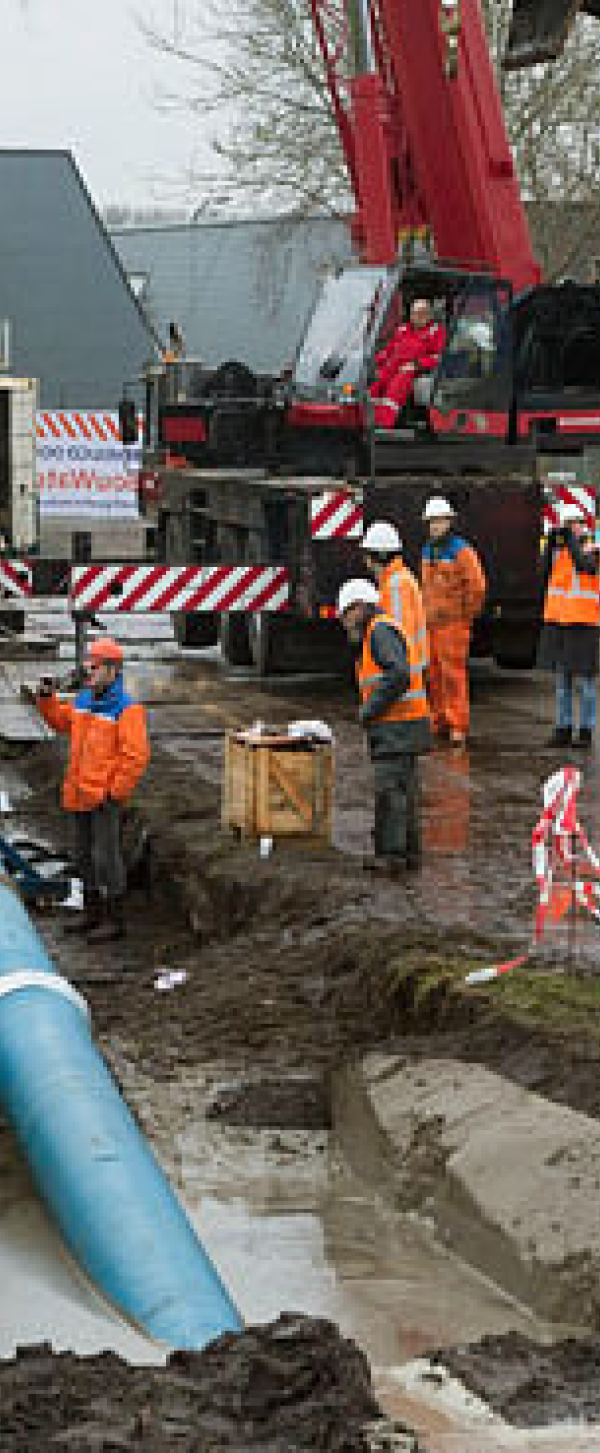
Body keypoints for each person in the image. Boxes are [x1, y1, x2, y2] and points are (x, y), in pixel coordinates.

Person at [35, 636, 150, 942]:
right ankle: (92, 912)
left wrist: (115, 793)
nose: (89, 673)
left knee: (106, 857)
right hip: (78, 793)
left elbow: (136, 756)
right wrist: (47, 700)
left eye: (95, 667)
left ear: (112, 670)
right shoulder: (84, 700)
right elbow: (62, 722)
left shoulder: (126, 709)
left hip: (103, 798)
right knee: (82, 854)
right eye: (88, 667)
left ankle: (114, 918)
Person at [337, 577, 431, 875]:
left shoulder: (379, 632)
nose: (345, 623)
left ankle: (391, 855)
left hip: (396, 725)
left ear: (359, 607)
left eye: (346, 614)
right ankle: (408, 853)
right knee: (404, 790)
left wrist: (370, 709)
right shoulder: (380, 630)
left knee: (390, 790)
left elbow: (399, 675)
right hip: (404, 724)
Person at [421, 496, 486, 747]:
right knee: (434, 676)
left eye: (439, 521)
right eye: (432, 522)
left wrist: (465, 615)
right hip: (433, 624)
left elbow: (477, 586)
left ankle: (458, 724)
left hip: (453, 625)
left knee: (453, 677)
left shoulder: (462, 550)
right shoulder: (428, 550)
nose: (435, 526)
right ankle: (438, 720)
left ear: (449, 521)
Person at [539, 503, 599, 748]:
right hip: (559, 622)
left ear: (581, 525)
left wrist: (571, 541)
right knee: (562, 682)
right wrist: (552, 543)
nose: (570, 529)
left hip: (584, 623)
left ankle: (585, 730)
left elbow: (586, 566)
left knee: (585, 683)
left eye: (573, 524)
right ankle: (562, 728)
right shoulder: (558, 552)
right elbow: (543, 573)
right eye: (567, 524)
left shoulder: (592, 547)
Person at [362, 520, 428, 675]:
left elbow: (398, 633)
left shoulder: (396, 586)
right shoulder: (399, 579)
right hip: (408, 666)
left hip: (404, 669)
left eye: (367, 554)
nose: (365, 560)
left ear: (379, 555)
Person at [371, 298, 446, 428]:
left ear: (429, 315)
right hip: (393, 365)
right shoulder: (402, 329)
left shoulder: (436, 332)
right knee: (375, 380)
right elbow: (388, 350)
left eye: (422, 313)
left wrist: (417, 364)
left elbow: (439, 357)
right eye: (415, 313)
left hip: (416, 369)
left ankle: (383, 421)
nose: (418, 316)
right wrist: (372, 362)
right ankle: (366, 416)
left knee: (400, 380)